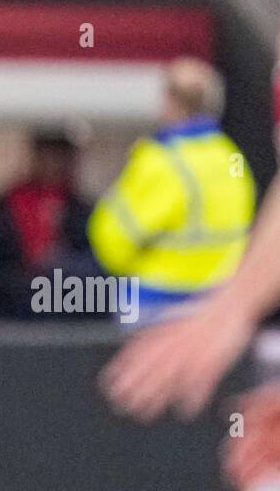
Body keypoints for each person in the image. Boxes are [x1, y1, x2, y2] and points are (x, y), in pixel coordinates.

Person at [101, 29, 280, 491]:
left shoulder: (162, 158)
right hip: (205, 328)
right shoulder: (232, 155)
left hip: (165, 317)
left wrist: (232, 307)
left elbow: (114, 233)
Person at [88, 58, 255, 329]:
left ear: (170, 100)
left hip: (154, 302)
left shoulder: (161, 160)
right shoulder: (231, 158)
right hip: (218, 301)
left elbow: (114, 239)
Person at [0, 131, 98, 321]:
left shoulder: (82, 210)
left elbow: (93, 268)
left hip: (66, 315)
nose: (55, 165)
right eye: (49, 156)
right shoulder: (5, 206)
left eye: (61, 157)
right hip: (12, 315)